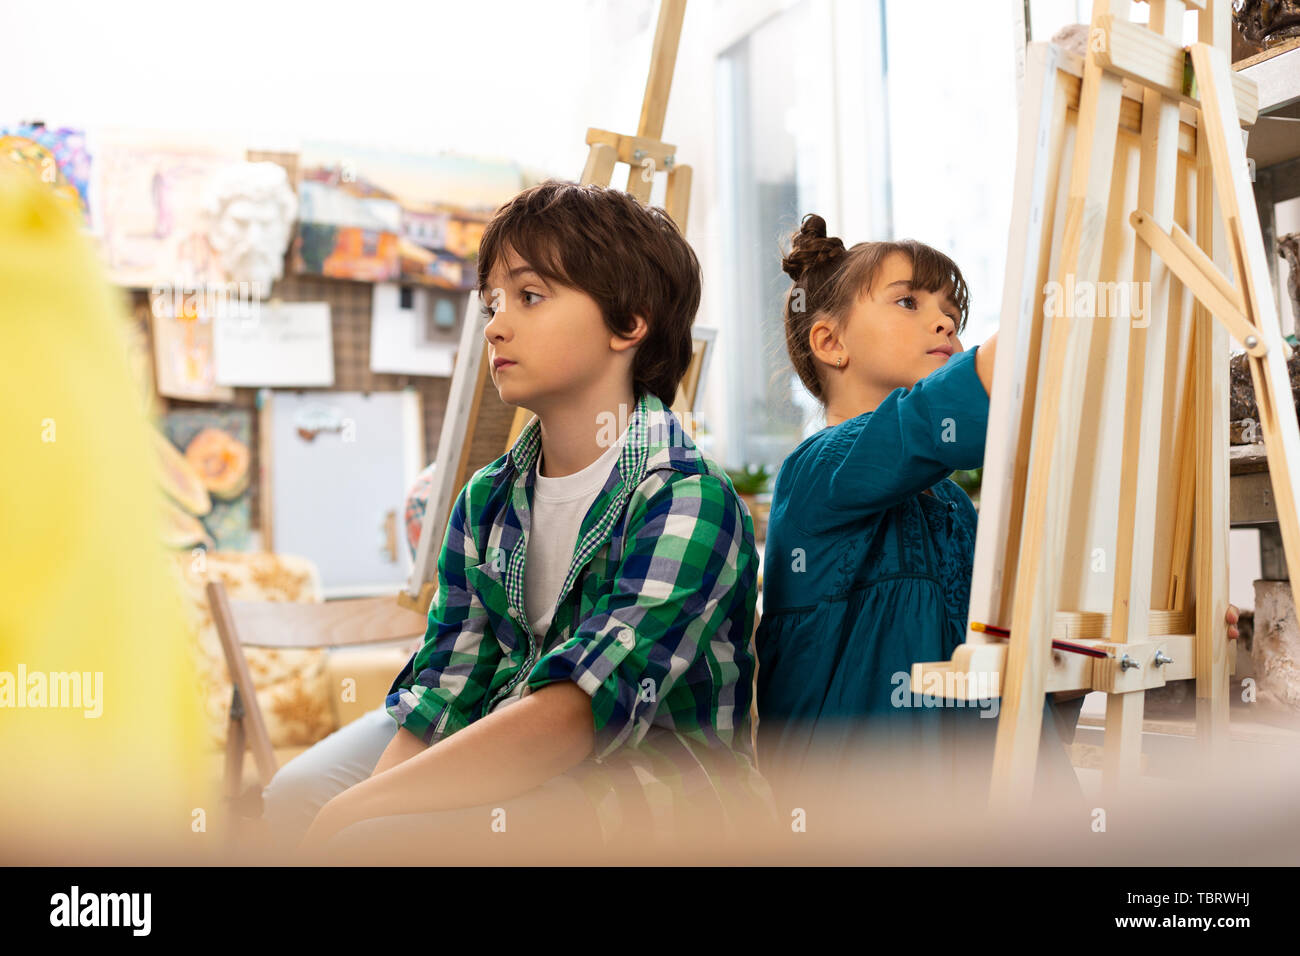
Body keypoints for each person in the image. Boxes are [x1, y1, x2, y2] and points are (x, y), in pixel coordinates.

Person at [263, 181, 774, 857]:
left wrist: (362, 817)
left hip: (650, 775)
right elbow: (447, 686)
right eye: (493, 304)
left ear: (630, 323)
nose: (497, 325)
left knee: (374, 825)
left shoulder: (686, 497)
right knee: (299, 797)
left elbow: (572, 714)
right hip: (514, 726)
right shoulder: (487, 498)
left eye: (530, 297)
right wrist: (357, 811)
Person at [755, 214, 1241, 813]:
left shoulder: (955, 506)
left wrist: (1145, 632)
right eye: (908, 302)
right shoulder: (815, 473)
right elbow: (924, 424)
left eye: (953, 318)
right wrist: (1080, 277)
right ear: (830, 342)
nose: (943, 323)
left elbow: (1014, 667)